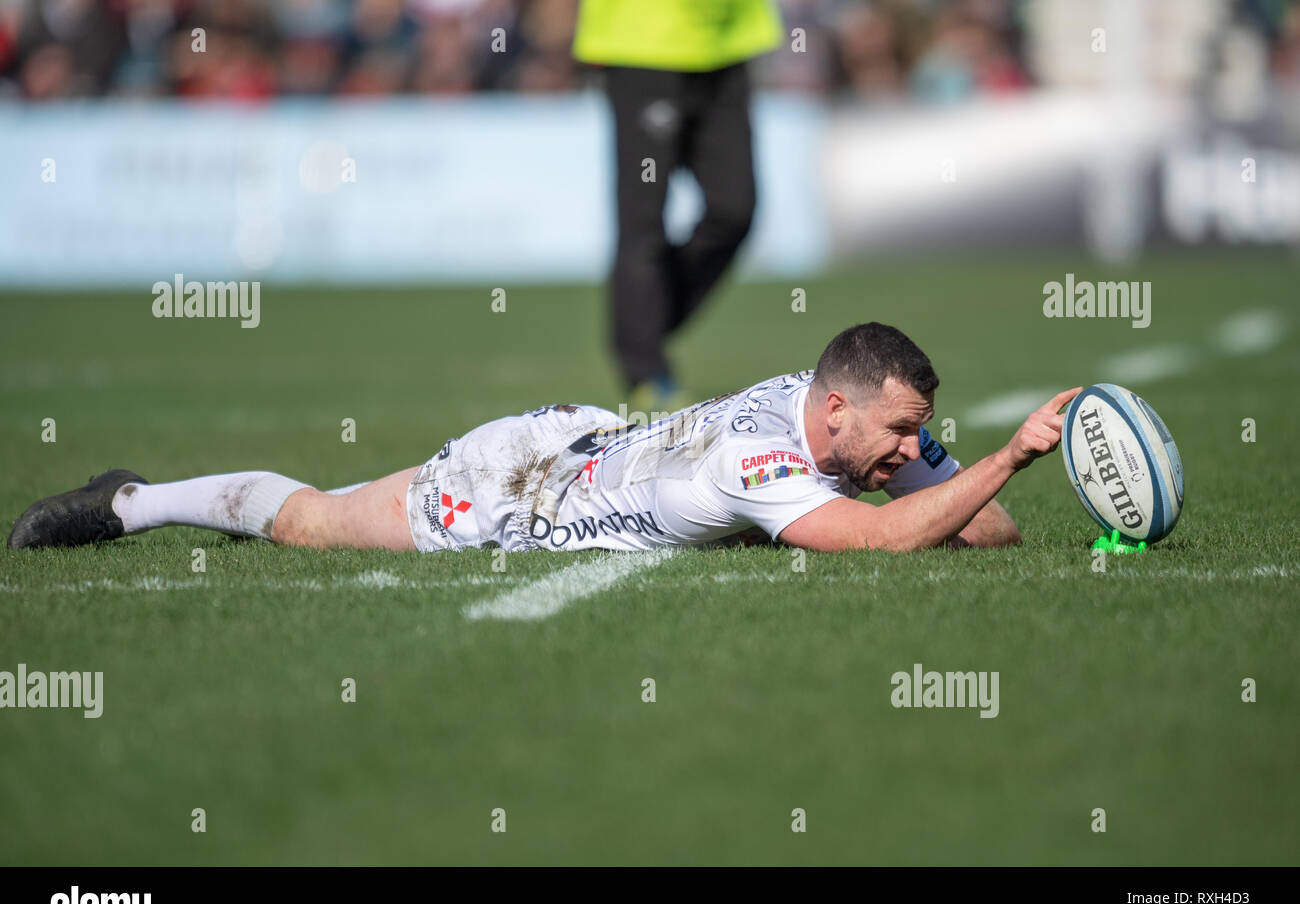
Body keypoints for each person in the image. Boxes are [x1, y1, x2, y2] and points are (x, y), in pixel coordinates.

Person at [8, 323, 1080, 555]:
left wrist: (948, 469)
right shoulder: (757, 457)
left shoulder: (831, 412)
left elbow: (990, 535)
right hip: (516, 486)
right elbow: (894, 542)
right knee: (313, 522)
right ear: (835, 410)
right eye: (900, 434)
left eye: (916, 439)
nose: (907, 454)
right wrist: (1012, 451)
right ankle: (131, 500)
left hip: (592, 438)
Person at [573, 0, 782, 412]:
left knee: (734, 209)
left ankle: (642, 323)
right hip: (643, 44)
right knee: (644, 221)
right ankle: (645, 370)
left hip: (727, 41)